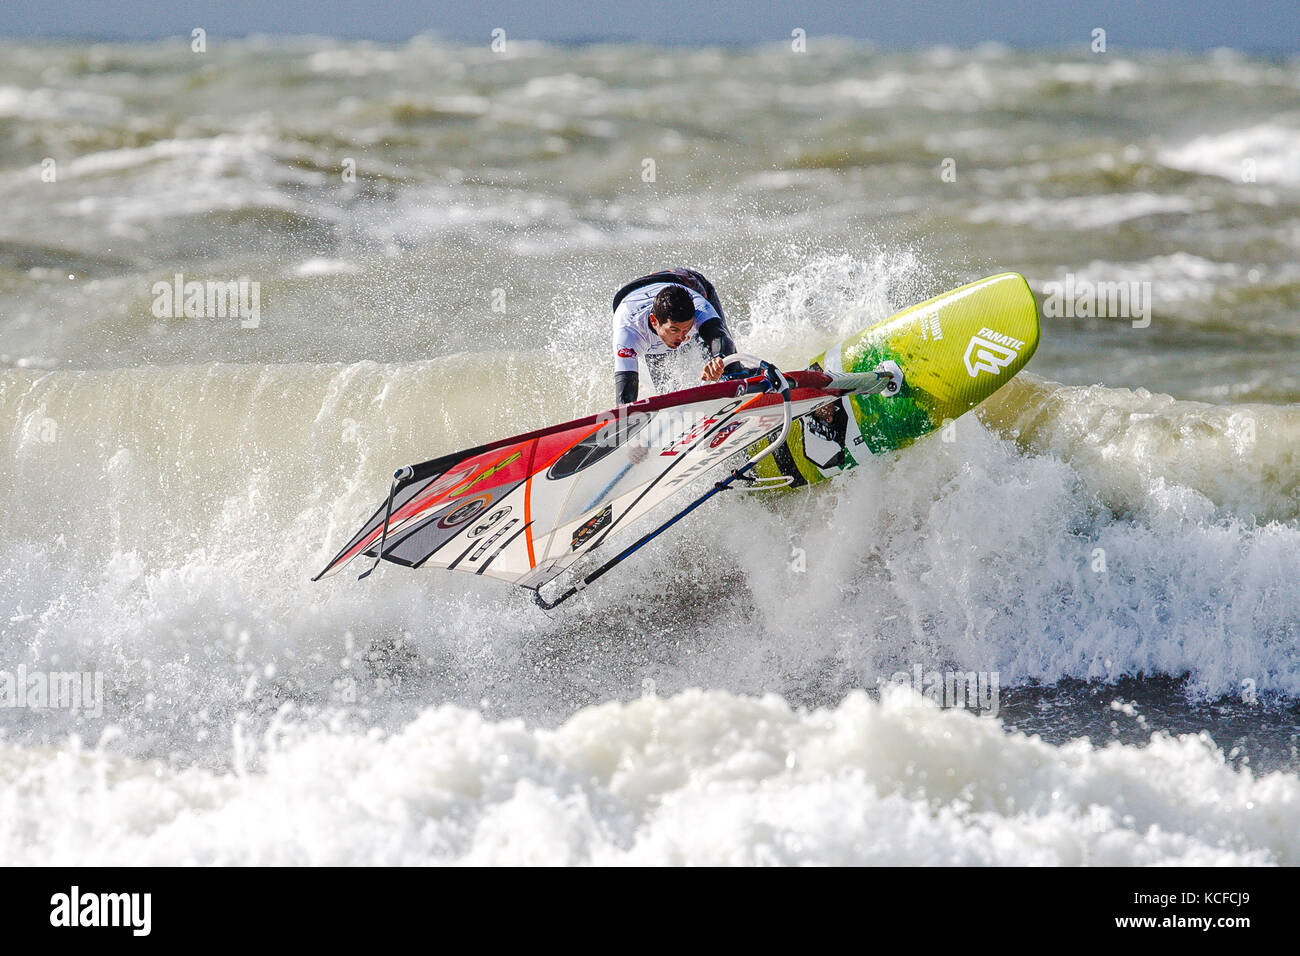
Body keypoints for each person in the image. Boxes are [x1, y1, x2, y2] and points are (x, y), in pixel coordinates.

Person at [611, 268, 742, 405]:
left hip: (689, 283)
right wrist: (624, 416)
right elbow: (625, 394)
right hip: (637, 301)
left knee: (728, 368)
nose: (681, 337)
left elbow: (719, 336)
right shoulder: (629, 331)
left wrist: (719, 358)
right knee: (668, 394)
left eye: (686, 329)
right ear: (653, 321)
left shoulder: (700, 308)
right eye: (675, 330)